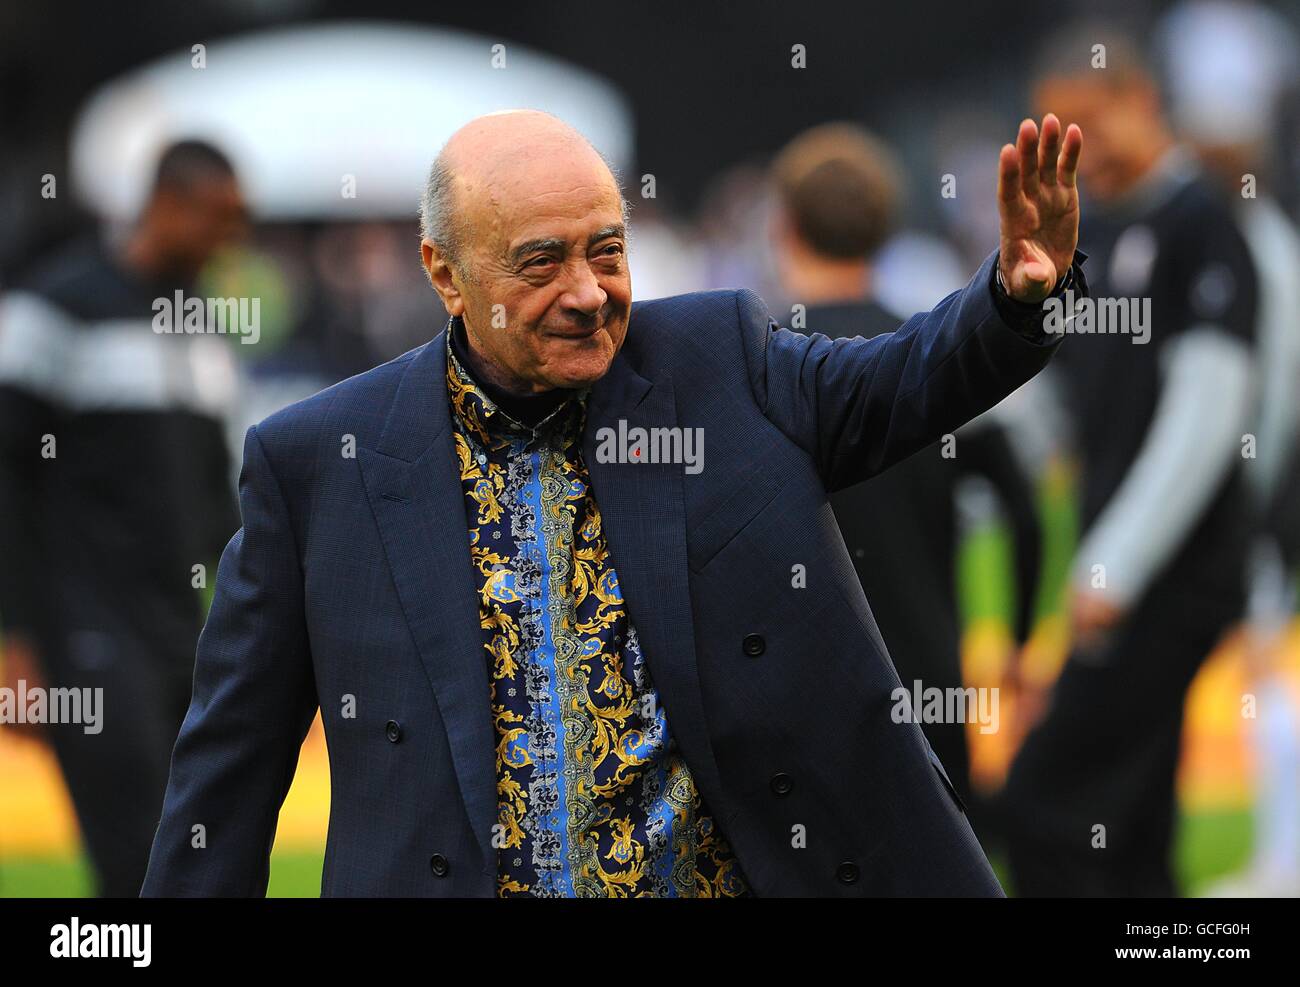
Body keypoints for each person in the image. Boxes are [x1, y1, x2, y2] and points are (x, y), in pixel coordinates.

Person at [141, 108, 1085, 897]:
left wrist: (1013, 294)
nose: (589, 294)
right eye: (542, 262)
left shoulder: (722, 362)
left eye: (608, 250)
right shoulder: (317, 461)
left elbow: (903, 381)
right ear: (444, 274)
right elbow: (228, 769)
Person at [1002, 29, 1260, 896]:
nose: (1073, 143)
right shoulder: (1100, 227)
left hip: (1166, 575)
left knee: (1044, 798)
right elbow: (1061, 397)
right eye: (1056, 123)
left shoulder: (1200, 221)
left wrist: (1118, 559)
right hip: (1129, 564)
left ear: (1141, 101)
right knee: (1135, 822)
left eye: (1088, 118)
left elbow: (1210, 409)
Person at [769, 123, 1043, 831]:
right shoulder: (937, 361)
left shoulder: (753, 374)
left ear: (784, 227)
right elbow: (1026, 511)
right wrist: (1013, 644)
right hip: (927, 684)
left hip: (796, 691)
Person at [0, 140, 246, 896]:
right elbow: (6, 482)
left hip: (181, 635)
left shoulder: (204, 325)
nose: (228, 239)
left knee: (193, 858)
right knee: (137, 859)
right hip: (89, 636)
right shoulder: (53, 308)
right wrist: (12, 638)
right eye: (219, 218)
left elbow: (218, 503)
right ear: (168, 203)